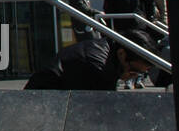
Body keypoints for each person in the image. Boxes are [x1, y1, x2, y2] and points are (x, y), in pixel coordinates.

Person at [24, 28, 159, 91]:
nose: (132, 76)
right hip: (42, 101)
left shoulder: (106, 48)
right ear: (122, 54)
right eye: (133, 71)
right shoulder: (99, 67)